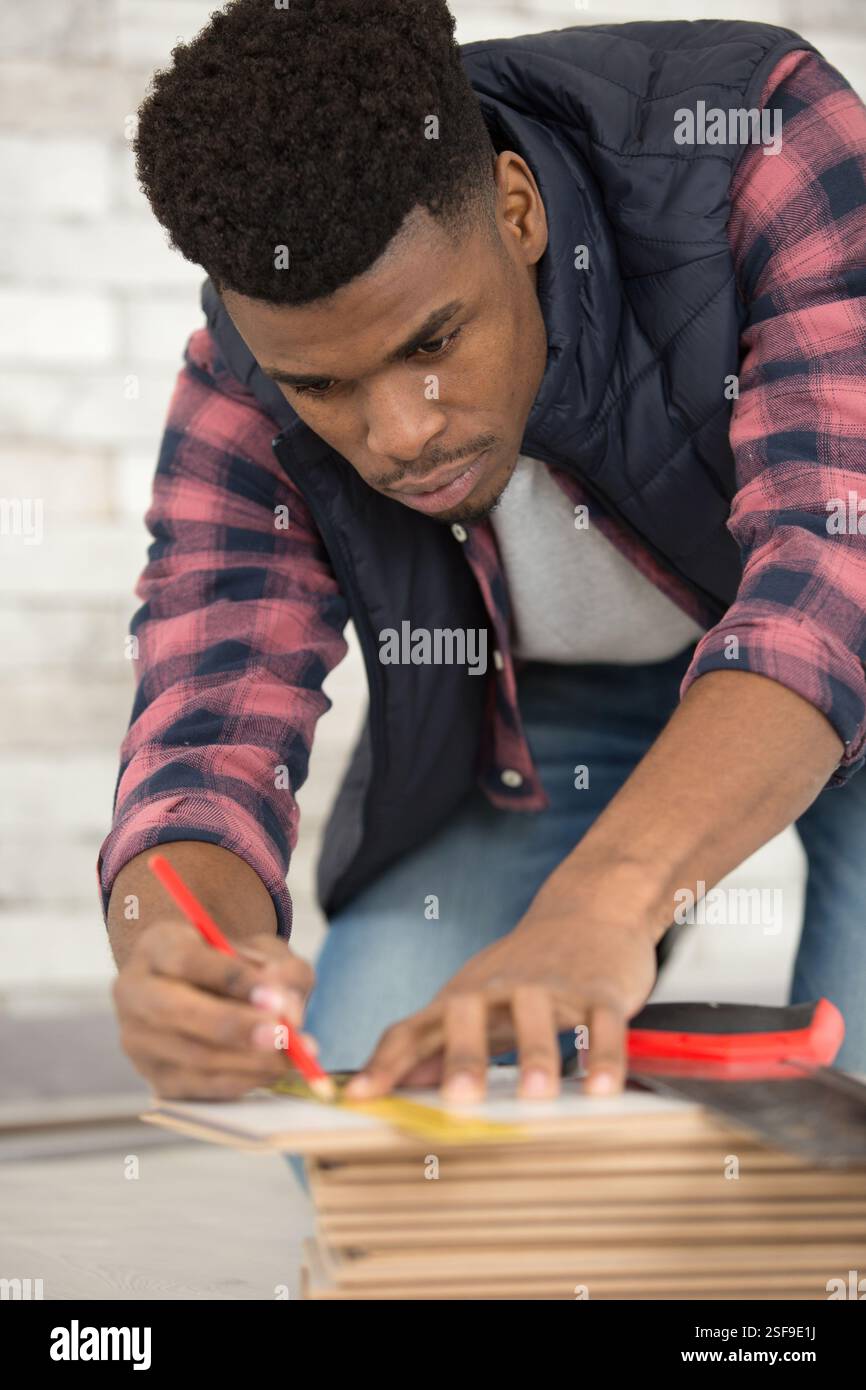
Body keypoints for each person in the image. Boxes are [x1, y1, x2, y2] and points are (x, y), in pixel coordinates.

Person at [102, 1, 866, 1113]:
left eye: (431, 343)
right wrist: (177, 951)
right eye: (323, 386)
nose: (399, 433)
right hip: (552, 708)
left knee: (843, 1157)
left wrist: (601, 905)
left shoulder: (749, 139)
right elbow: (205, 713)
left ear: (514, 210)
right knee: (386, 1127)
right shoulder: (244, 366)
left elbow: (832, 578)